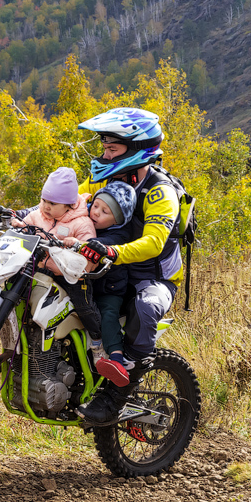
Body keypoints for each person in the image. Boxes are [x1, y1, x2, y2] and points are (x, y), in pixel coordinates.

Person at [71, 107, 184, 425]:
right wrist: (22, 215)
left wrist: (110, 251)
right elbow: (71, 204)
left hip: (151, 279)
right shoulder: (104, 179)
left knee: (146, 308)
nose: (104, 155)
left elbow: (153, 243)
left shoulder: (161, 192)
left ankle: (115, 396)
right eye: (104, 148)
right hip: (108, 270)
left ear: (135, 150)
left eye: (112, 149)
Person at [7, 167, 103, 348]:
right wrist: (17, 225)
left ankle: (98, 342)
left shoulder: (82, 223)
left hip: (71, 276)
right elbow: (26, 227)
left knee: (84, 306)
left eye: (53, 203)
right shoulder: (38, 215)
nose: (46, 206)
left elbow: (89, 257)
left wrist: (77, 247)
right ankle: (19, 347)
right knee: (16, 293)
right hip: (41, 270)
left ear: (69, 204)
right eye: (44, 200)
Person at [63, 181, 138, 387]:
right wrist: (18, 215)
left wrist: (90, 245)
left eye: (105, 211)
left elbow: (107, 243)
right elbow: (54, 208)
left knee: (107, 315)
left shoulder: (120, 233)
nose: (96, 212)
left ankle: (116, 359)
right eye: (96, 205)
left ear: (118, 220)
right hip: (82, 283)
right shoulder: (83, 213)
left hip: (108, 289)